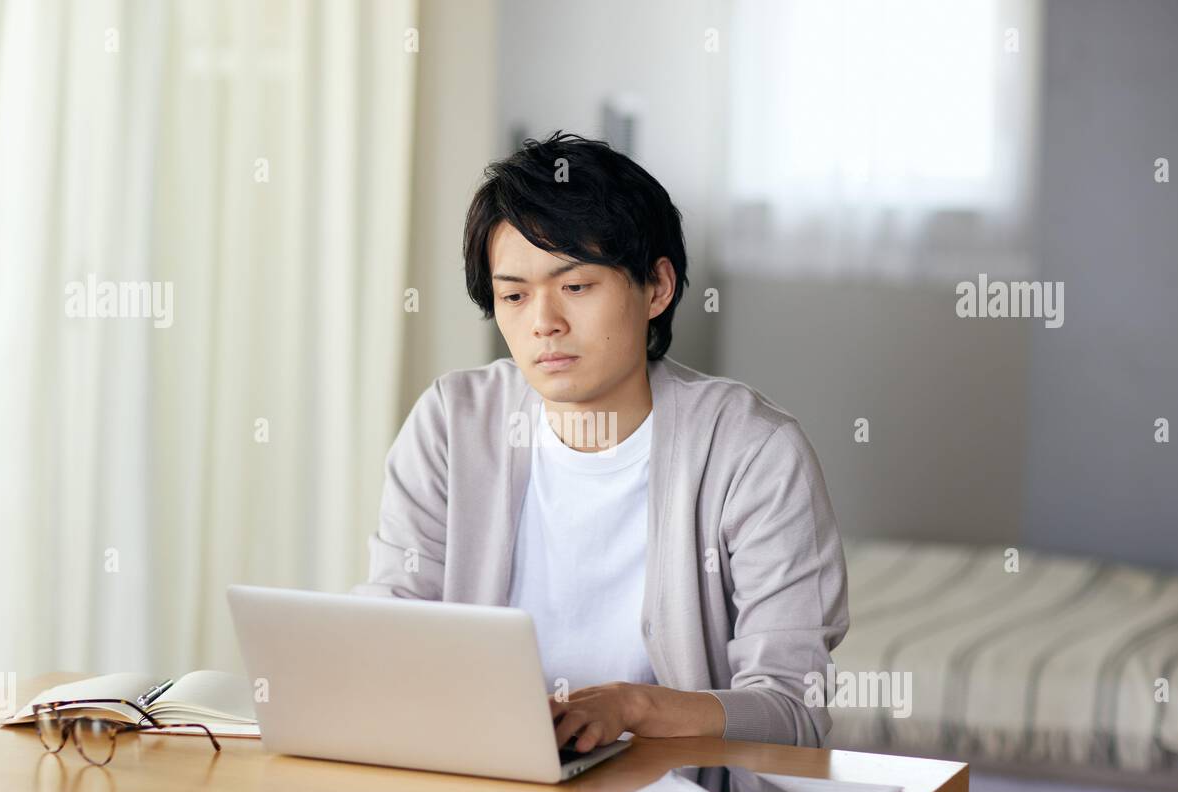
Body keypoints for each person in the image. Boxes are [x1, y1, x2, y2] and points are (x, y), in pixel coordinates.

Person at [351, 131, 850, 755]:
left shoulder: (753, 451)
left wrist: (633, 706)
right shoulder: (452, 423)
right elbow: (390, 628)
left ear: (657, 289)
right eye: (513, 295)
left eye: (577, 286)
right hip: (486, 783)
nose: (543, 323)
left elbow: (791, 709)